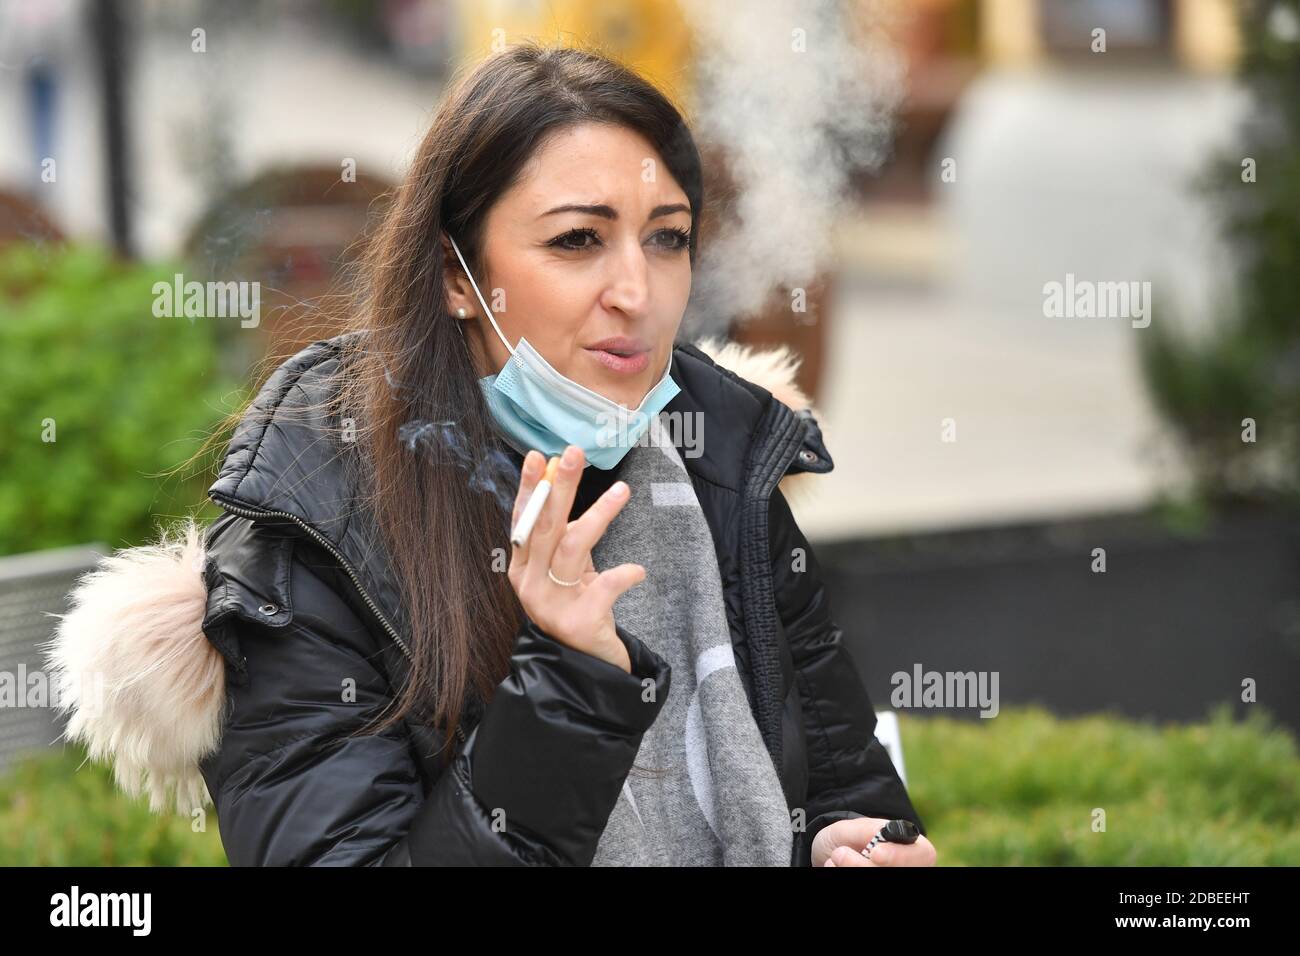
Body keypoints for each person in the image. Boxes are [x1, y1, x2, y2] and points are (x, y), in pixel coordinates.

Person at [47, 41, 934, 868]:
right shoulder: (320, 515)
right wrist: (571, 677)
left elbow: (843, 785)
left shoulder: (726, 455)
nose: (639, 292)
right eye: (577, 240)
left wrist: (845, 845)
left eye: (666, 236)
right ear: (452, 277)